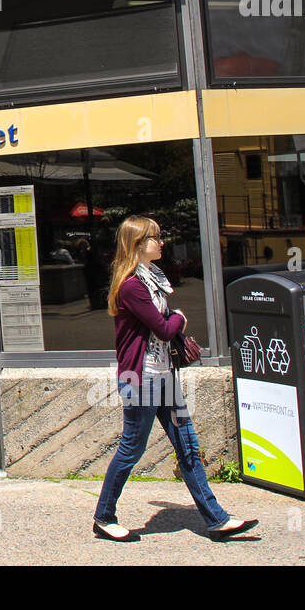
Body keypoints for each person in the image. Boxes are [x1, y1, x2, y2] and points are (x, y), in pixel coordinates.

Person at [93, 215, 257, 542]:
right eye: (155, 238)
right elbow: (164, 329)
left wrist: (172, 319)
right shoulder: (132, 287)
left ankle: (216, 519)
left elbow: (161, 325)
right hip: (141, 381)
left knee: (188, 447)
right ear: (138, 246)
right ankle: (103, 516)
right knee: (131, 449)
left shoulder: (153, 280)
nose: (161, 242)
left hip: (164, 378)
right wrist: (179, 317)